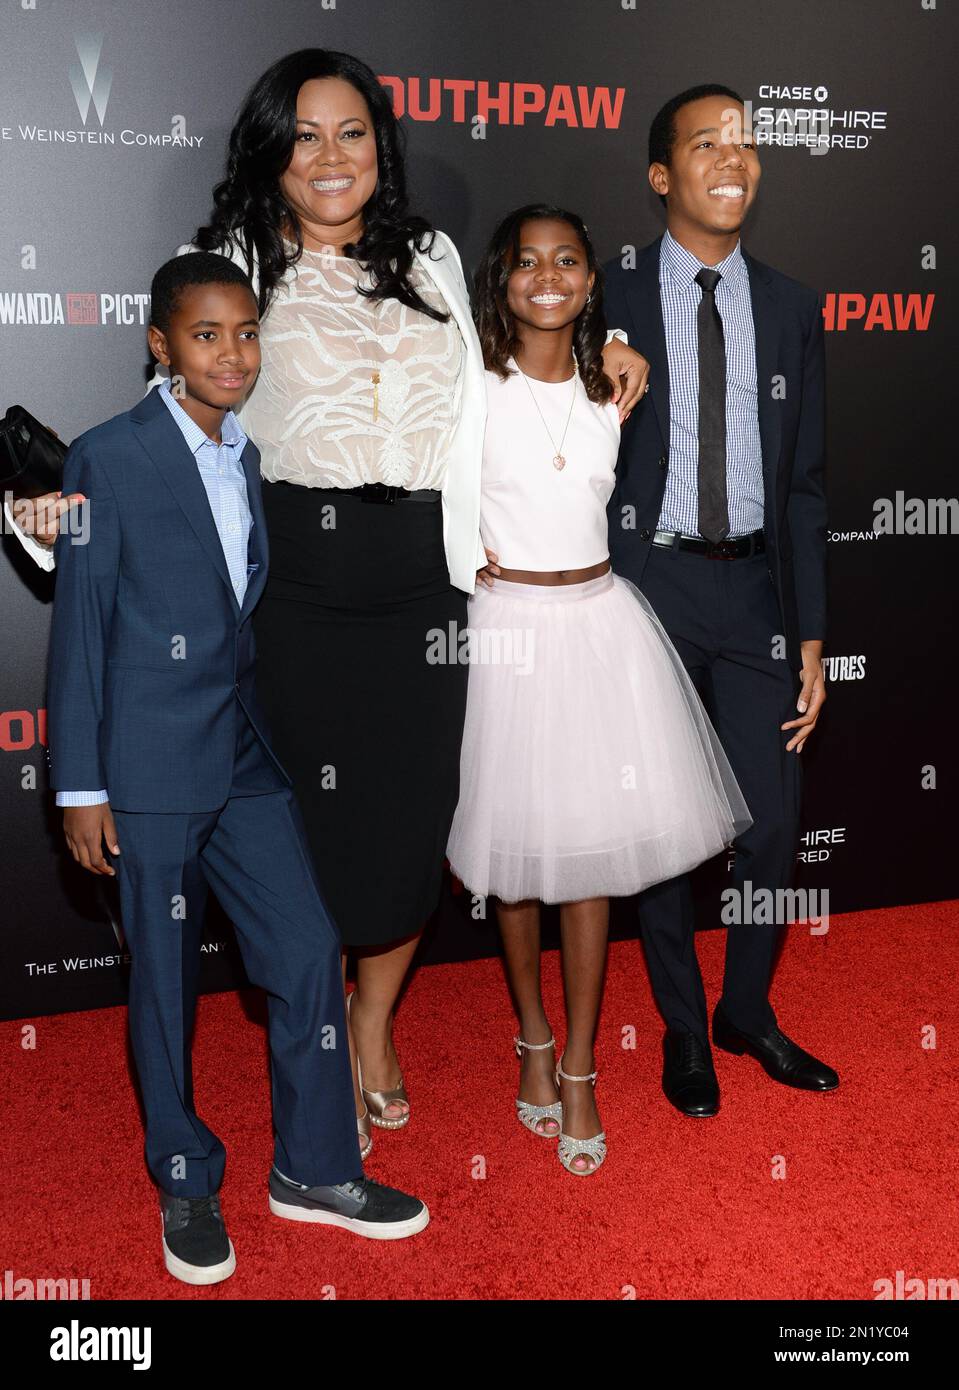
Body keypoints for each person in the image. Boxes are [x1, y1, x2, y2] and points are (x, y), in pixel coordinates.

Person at [8, 48, 650, 1161]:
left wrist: (607, 347)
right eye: (304, 135)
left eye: (351, 132)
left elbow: (516, 348)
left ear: (379, 149)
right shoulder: (232, 261)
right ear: (271, 150)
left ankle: (371, 1021)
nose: (330, 156)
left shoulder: (438, 257)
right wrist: (64, 514)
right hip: (297, 581)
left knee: (410, 825)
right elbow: (169, 432)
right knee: (302, 834)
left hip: (428, 580)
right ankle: (316, 1025)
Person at [46, 252, 429, 1287]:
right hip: (145, 768)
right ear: (160, 345)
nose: (230, 353)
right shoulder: (106, 458)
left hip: (242, 752)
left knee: (307, 946)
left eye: (245, 332)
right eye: (205, 334)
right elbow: (79, 627)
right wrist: (80, 785)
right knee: (164, 986)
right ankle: (183, 1173)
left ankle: (312, 1169)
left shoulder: (245, 454)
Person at [446, 206, 751, 1176]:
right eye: (526, 261)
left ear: (590, 280)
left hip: (599, 628)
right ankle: (530, 1034)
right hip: (504, 632)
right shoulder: (468, 388)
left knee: (585, 867)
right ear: (498, 279)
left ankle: (578, 1062)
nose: (546, 276)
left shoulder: (612, 386)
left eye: (566, 261)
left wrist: (619, 345)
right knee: (513, 857)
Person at [602, 84, 839, 1118]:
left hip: (753, 591)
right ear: (662, 176)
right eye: (706, 144)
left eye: (744, 142)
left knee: (772, 821)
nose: (732, 158)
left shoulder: (789, 305)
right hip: (644, 583)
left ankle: (746, 1009)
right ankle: (682, 1032)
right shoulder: (602, 292)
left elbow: (804, 486)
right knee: (662, 828)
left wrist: (815, 635)